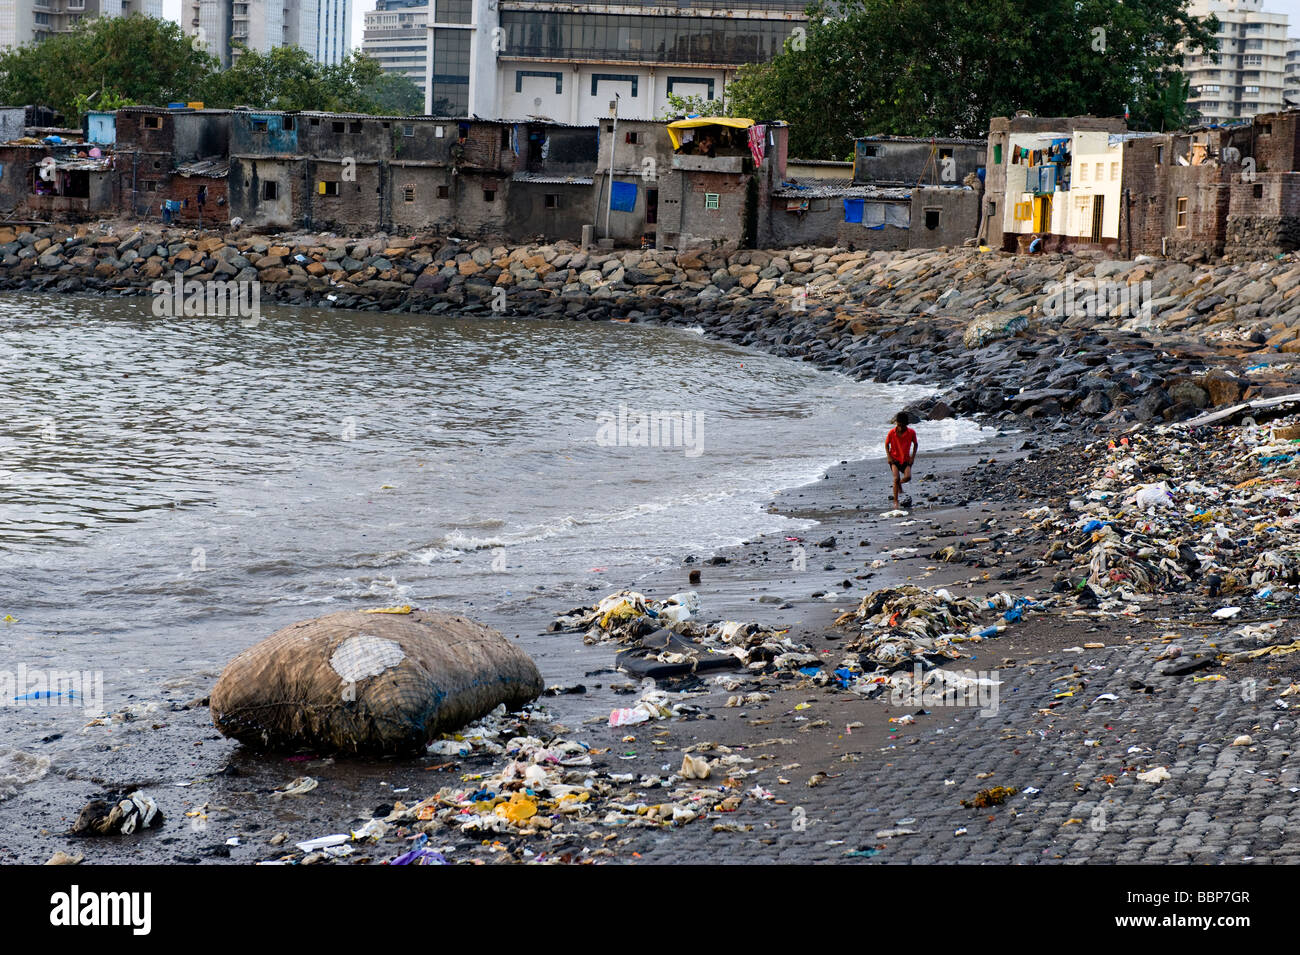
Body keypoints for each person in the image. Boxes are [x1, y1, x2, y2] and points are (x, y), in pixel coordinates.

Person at [886, 411, 918, 509]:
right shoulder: (892, 432)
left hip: (906, 459)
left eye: (902, 426)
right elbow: (886, 444)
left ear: (906, 425)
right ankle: (896, 501)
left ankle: (899, 484)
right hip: (894, 459)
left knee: (908, 477)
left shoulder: (911, 432)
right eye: (898, 425)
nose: (900, 428)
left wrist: (912, 457)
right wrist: (889, 457)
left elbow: (915, 444)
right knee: (896, 478)